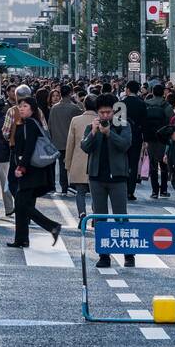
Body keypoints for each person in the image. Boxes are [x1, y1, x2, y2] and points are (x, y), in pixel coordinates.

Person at [80, 94, 134, 269]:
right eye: (101, 112)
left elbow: (125, 145)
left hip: (117, 177)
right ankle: (104, 255)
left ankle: (128, 253)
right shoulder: (91, 126)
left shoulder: (123, 126)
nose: (105, 116)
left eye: (108, 112)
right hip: (96, 178)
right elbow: (85, 147)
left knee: (121, 217)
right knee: (100, 218)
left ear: (114, 111)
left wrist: (109, 133)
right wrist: (94, 132)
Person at [7, 95, 62, 250]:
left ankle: (52, 226)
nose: (21, 109)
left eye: (25, 106)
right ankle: (22, 239)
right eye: (20, 106)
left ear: (32, 109)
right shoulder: (24, 123)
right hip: (31, 169)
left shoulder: (30, 123)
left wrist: (21, 167)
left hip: (31, 170)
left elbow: (29, 147)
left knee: (22, 203)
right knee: (22, 204)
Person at [65, 95, 96, 226]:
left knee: (80, 192)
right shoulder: (100, 120)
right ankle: (96, 216)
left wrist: (68, 163)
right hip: (96, 162)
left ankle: (82, 214)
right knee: (96, 192)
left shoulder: (76, 120)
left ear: (84, 105)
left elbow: (70, 143)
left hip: (79, 160)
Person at [47, 86, 82, 198]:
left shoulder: (54, 108)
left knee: (62, 165)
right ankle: (71, 186)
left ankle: (64, 187)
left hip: (57, 141)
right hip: (71, 141)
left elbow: (50, 126)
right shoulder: (74, 108)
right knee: (71, 165)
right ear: (71, 93)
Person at [144, 84, 174, 198]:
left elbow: (144, 123)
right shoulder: (166, 106)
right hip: (163, 138)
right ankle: (164, 190)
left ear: (152, 92)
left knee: (153, 165)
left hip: (150, 138)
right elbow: (171, 123)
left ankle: (154, 191)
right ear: (163, 93)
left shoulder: (146, 104)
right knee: (164, 165)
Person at [122, 80, 147, 201]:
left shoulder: (121, 103)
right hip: (137, 137)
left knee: (123, 163)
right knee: (133, 164)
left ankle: (122, 188)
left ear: (127, 89)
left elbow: (117, 123)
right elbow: (144, 123)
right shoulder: (142, 103)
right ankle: (130, 191)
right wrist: (145, 140)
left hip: (122, 137)